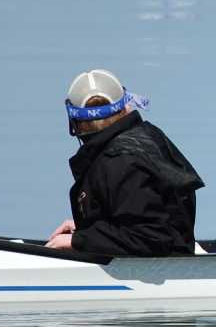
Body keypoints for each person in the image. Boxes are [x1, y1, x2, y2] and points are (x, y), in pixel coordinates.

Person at [46, 69, 204, 258]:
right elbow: (141, 215)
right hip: (174, 252)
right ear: (124, 109)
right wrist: (88, 228)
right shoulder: (147, 136)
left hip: (165, 267)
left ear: (76, 122)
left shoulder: (119, 162)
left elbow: (151, 238)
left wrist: (79, 240)